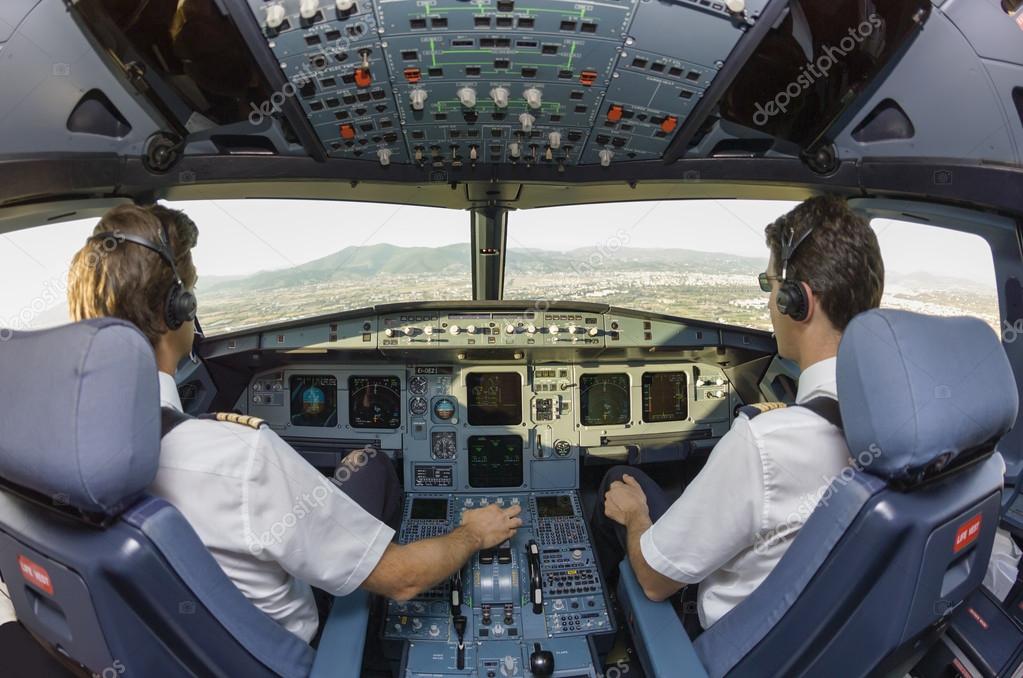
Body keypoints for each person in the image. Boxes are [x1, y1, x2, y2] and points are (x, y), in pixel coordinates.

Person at [66, 204, 523, 645]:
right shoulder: (237, 457)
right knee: (371, 462)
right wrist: (473, 532)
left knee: (363, 464)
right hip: (283, 649)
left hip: (183, 646)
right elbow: (403, 579)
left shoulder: (53, 450)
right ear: (177, 309)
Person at [591, 195, 885, 635]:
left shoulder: (766, 442)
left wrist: (636, 516)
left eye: (770, 286)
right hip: (822, 634)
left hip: (722, 640)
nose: (769, 304)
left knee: (618, 483)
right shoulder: (908, 418)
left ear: (797, 301)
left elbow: (654, 581)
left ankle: (608, 622)